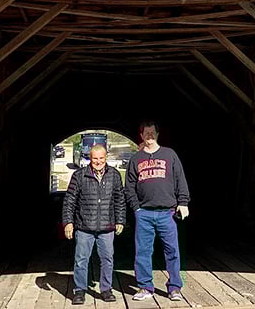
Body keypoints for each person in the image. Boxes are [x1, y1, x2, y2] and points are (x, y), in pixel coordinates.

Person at [125, 121, 190, 301]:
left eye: (152, 133)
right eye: (146, 133)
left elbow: (180, 180)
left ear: (157, 134)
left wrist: (183, 202)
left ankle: (174, 287)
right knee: (143, 251)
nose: (149, 136)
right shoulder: (136, 159)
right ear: (141, 136)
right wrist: (136, 208)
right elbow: (129, 186)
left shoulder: (169, 155)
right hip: (144, 212)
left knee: (172, 251)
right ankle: (145, 287)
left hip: (167, 212)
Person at [62, 144, 126, 304]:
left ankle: (106, 289)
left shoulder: (114, 175)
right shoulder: (79, 175)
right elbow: (69, 200)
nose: (98, 161)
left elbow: (119, 199)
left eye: (101, 158)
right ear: (90, 158)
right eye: (95, 158)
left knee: (107, 259)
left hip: (106, 226)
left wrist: (120, 220)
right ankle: (79, 291)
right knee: (81, 259)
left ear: (106, 157)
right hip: (84, 226)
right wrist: (68, 222)